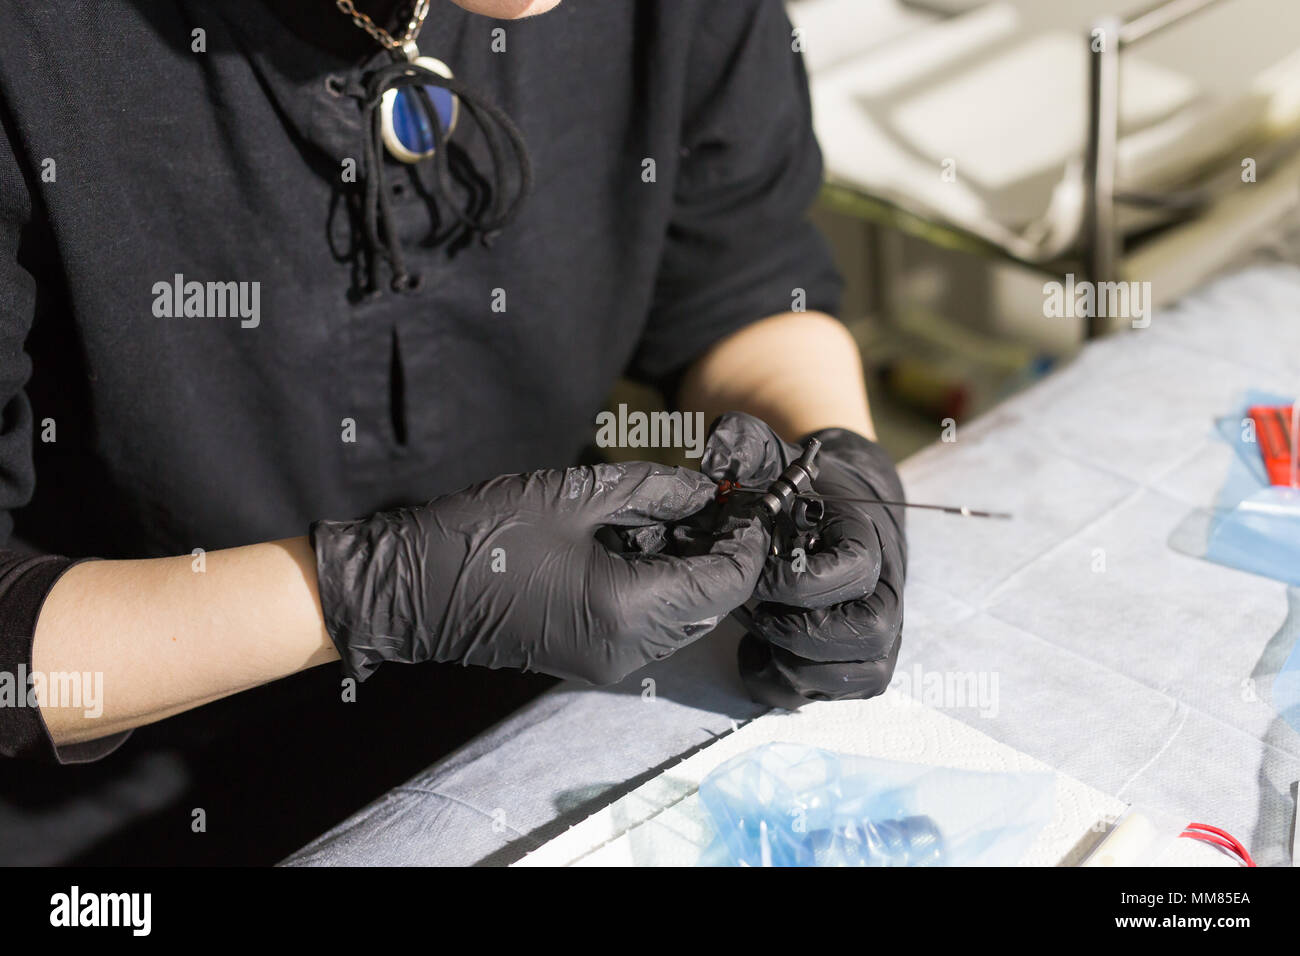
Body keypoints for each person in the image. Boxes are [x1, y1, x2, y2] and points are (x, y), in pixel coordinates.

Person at [0, 0, 905, 850]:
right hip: (120, 815)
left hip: (540, 729)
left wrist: (826, 453)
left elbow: (738, 279)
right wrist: (379, 591)